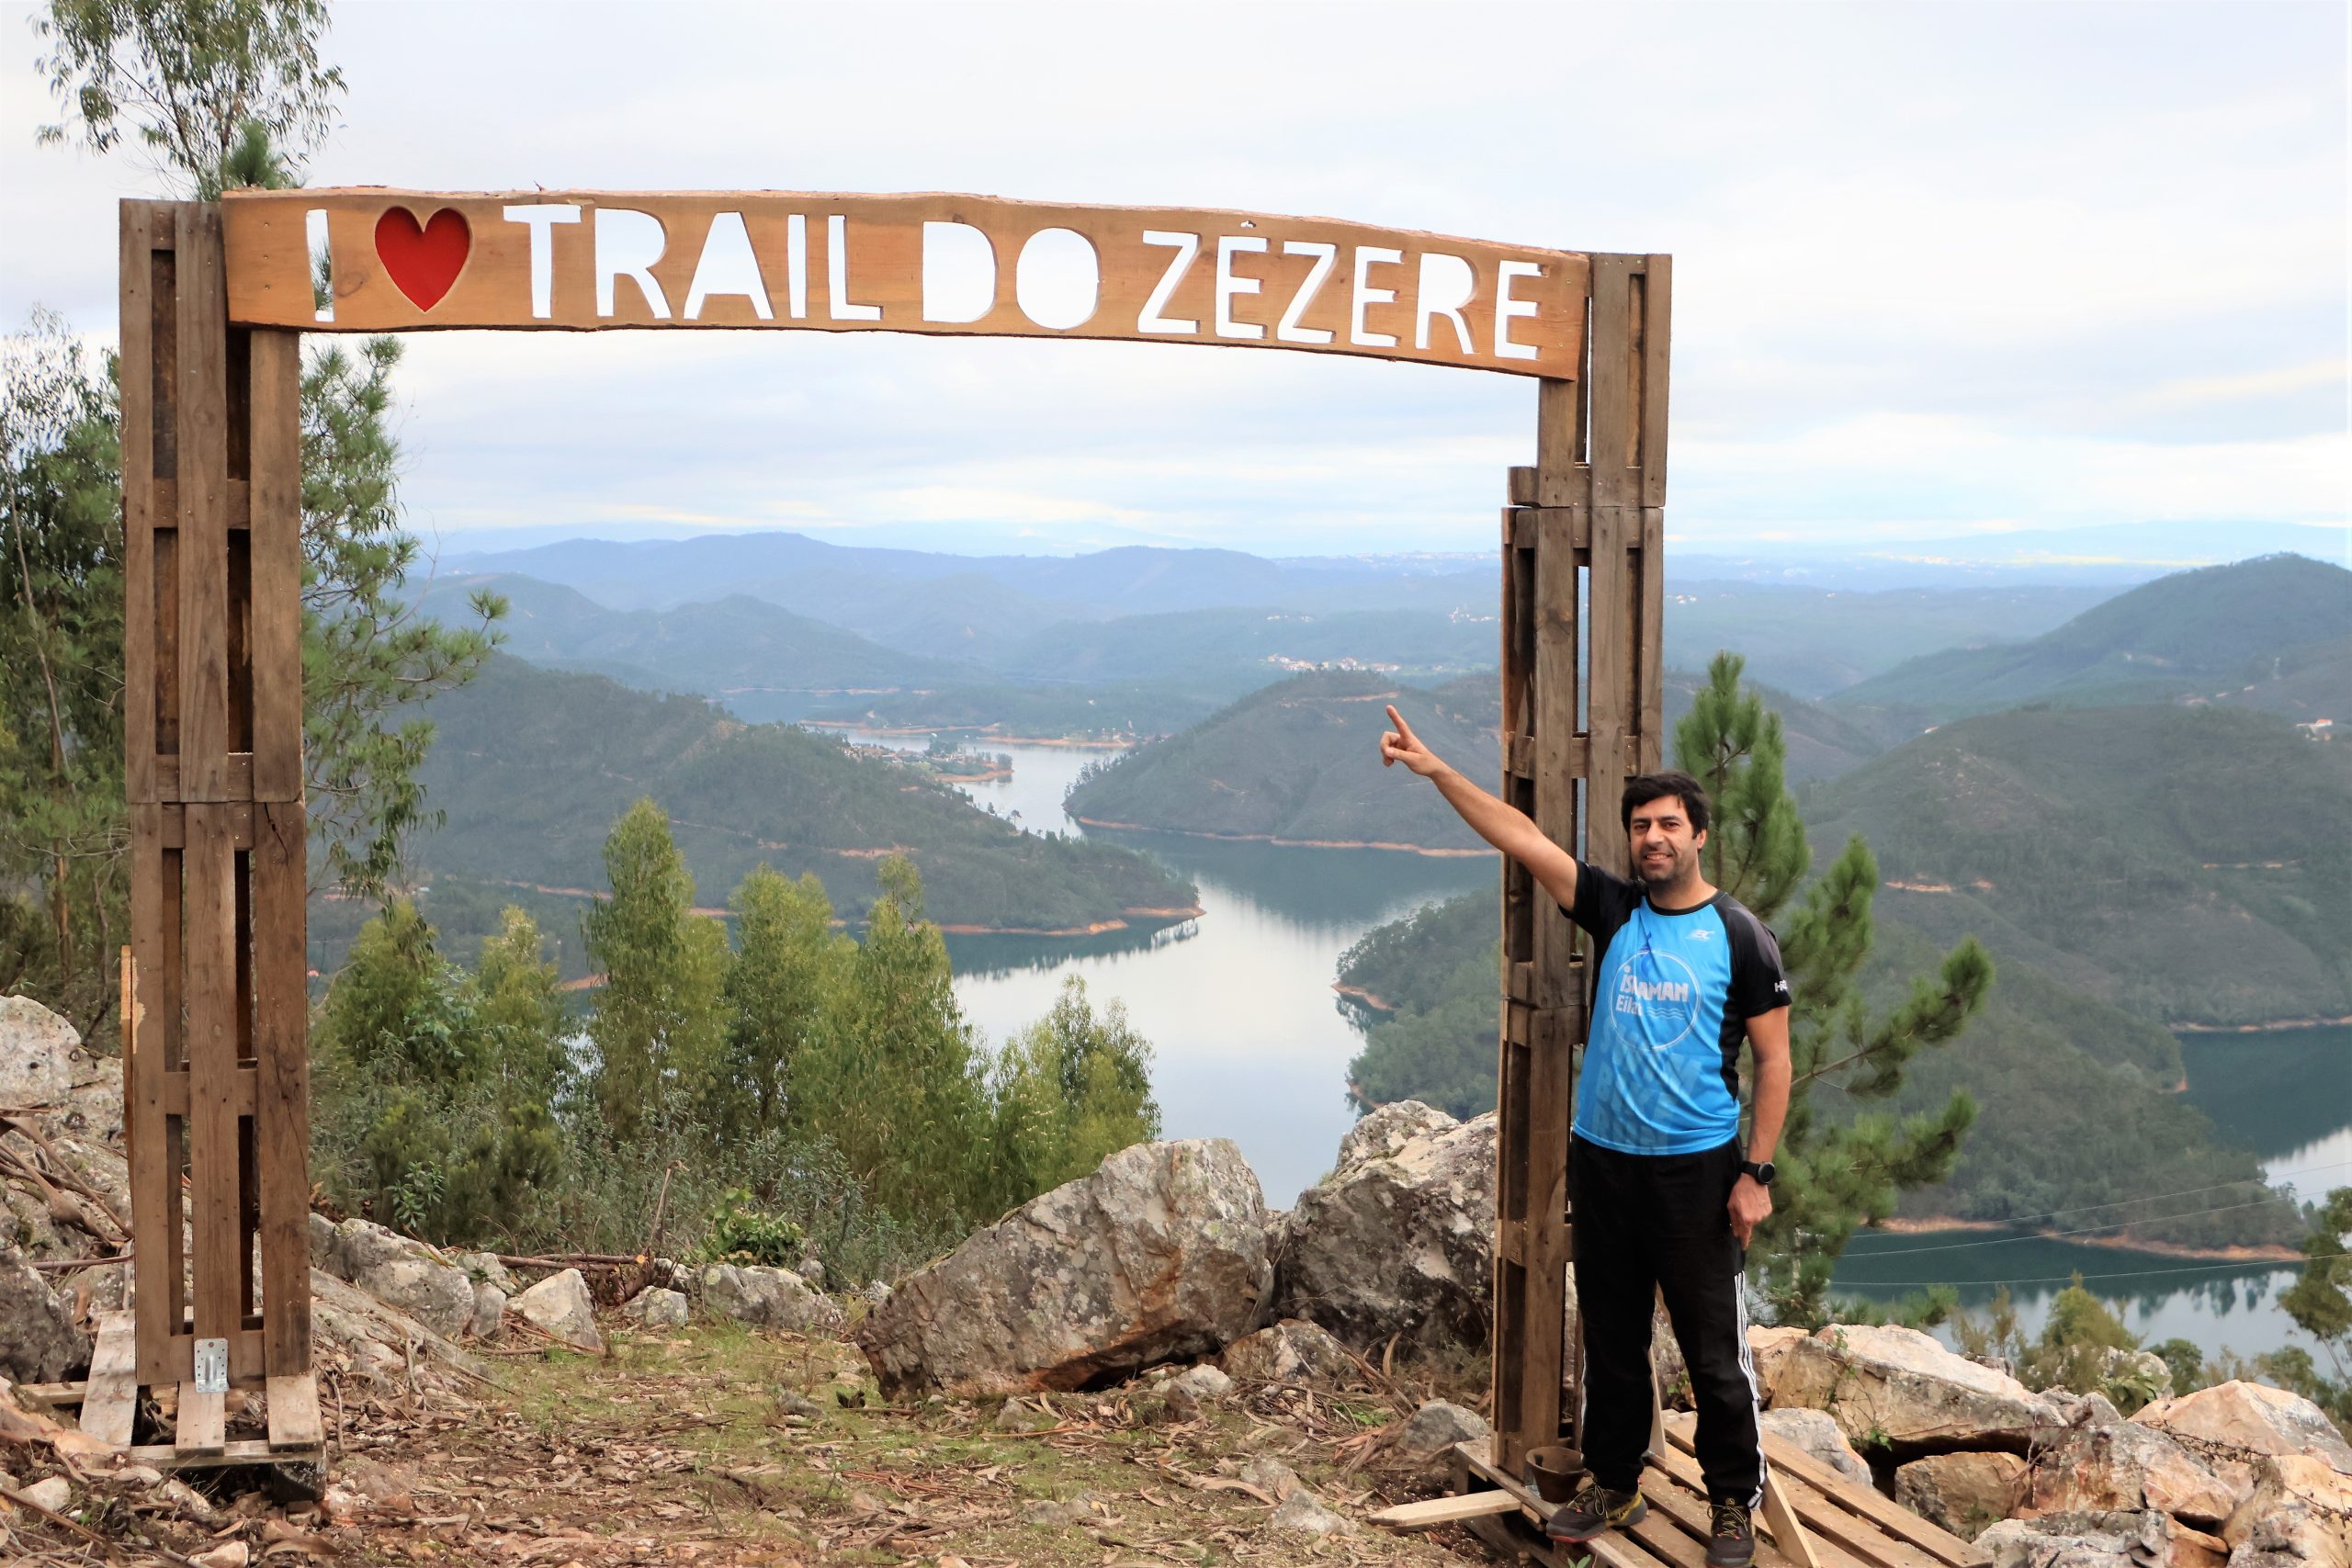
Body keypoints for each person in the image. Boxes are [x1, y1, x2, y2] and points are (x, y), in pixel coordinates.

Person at [1378, 705, 1790, 1568]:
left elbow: (1775, 1062)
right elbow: (1521, 835)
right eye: (1641, 826)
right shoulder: (1616, 909)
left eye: (1669, 824)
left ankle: (1730, 1502)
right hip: (1604, 1161)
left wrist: (1756, 1173)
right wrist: (1437, 770)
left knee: (1714, 1353)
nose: (1653, 838)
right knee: (1610, 1337)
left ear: (1700, 835)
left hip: (1695, 1170)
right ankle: (1614, 1479)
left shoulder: (1739, 936)